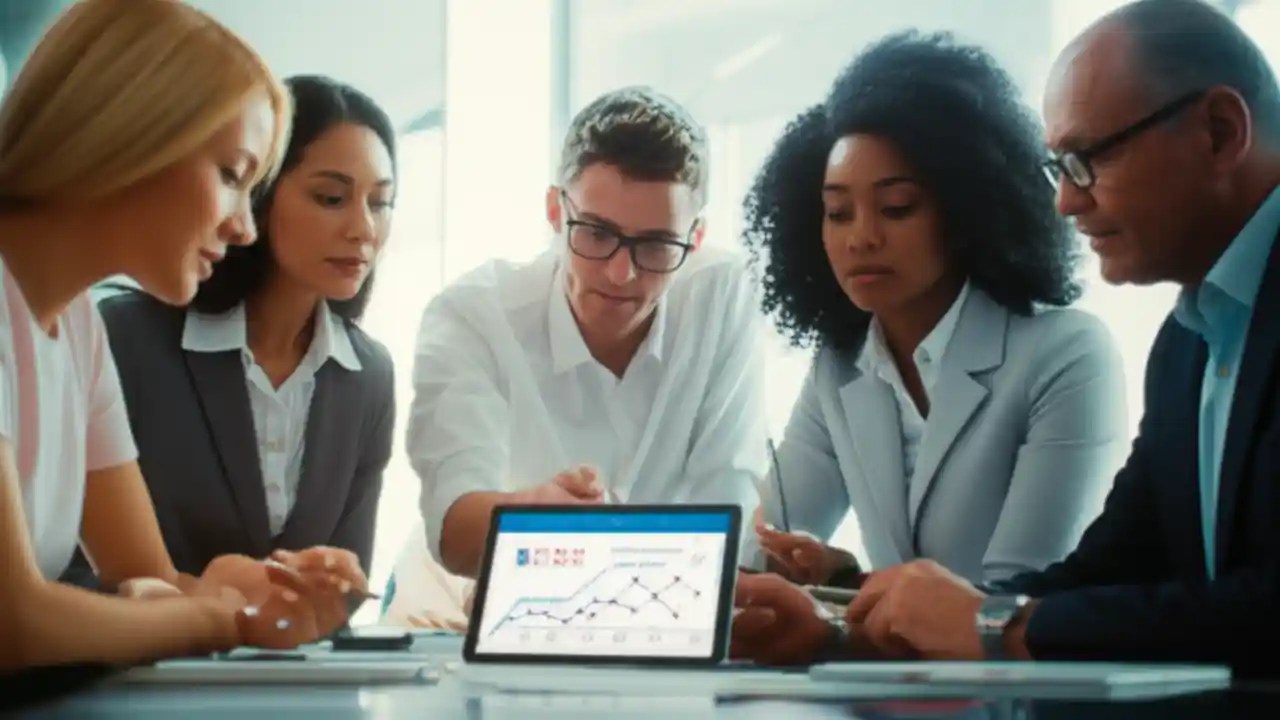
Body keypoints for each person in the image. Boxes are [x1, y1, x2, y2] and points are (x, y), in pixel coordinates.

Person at [732, 0, 1280, 678]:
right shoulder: (1188, 344)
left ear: (1220, 132)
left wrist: (990, 623)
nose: (1066, 202)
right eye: (1059, 169)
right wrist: (838, 627)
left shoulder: (1085, 350)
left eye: (1086, 161)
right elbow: (1103, 581)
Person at [0, 0, 363, 671]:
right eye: (232, 176)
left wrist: (248, 591)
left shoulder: (78, 328)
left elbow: (149, 577)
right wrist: (218, 616)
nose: (243, 229)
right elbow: (13, 622)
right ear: (128, 134)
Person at [740, 32, 1127, 588]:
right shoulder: (840, 366)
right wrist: (807, 569)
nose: (862, 238)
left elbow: (1016, 598)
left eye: (897, 208)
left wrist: (850, 591)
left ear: (966, 207)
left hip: (1024, 672)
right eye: (837, 212)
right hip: (902, 673)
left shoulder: (1065, 354)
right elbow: (766, 546)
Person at [386, 86, 767, 621]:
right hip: (458, 616)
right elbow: (452, 527)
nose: (621, 273)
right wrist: (532, 516)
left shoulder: (720, 297)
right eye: (596, 233)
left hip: (655, 617)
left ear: (696, 237)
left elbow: (728, 506)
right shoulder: (474, 315)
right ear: (554, 211)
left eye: (656, 246)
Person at [62, 75, 396, 591]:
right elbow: (63, 569)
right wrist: (215, 601)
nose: (364, 229)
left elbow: (346, 588)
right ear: (258, 193)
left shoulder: (369, 376)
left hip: (283, 668)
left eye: (379, 202)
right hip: (125, 661)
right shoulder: (123, 338)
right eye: (331, 197)